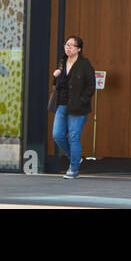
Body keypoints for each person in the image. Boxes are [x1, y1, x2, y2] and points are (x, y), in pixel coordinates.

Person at [50, 35, 95, 179]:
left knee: (74, 137)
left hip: (78, 107)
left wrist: (82, 100)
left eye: (72, 45)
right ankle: (75, 157)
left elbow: (90, 86)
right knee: (57, 135)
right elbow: (57, 85)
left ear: (79, 49)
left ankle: (73, 169)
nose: (68, 48)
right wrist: (55, 75)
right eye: (66, 45)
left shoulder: (84, 64)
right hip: (62, 104)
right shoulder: (63, 62)